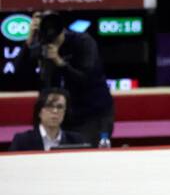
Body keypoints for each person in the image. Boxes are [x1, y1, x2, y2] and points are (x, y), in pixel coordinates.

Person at [16, 11, 114, 147]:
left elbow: (85, 80)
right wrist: (29, 41)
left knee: (83, 156)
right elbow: (17, 75)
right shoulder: (41, 45)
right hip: (56, 113)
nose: (51, 36)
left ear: (62, 28)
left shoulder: (83, 42)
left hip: (91, 114)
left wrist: (59, 61)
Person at [9, 89, 89, 151]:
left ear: (65, 112)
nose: (55, 111)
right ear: (39, 111)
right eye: (49, 106)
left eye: (60, 107)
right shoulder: (22, 141)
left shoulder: (76, 141)